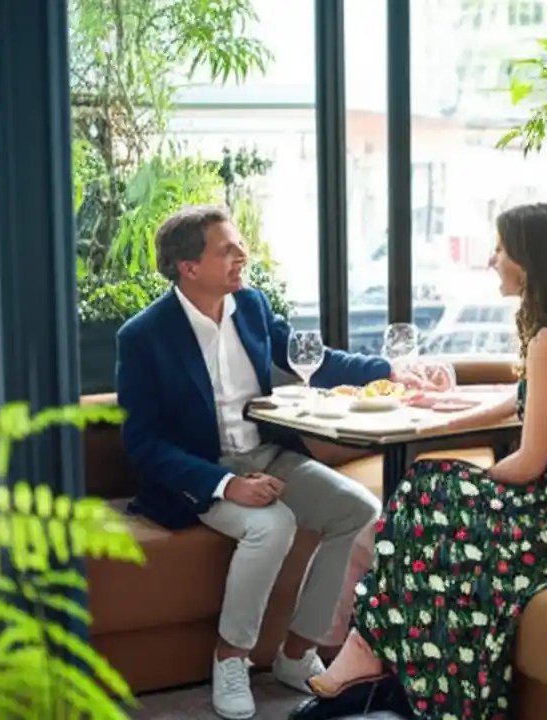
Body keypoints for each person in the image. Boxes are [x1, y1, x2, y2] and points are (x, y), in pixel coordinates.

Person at [289, 202, 547, 720]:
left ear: (528, 260)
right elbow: (531, 400)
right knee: (427, 493)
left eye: (500, 250)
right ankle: (375, 654)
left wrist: (474, 481)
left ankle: (370, 650)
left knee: (425, 488)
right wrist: (451, 411)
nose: (492, 260)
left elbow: (530, 463)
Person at [116, 205, 435, 720]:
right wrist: (223, 484)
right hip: (201, 470)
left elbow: (314, 358)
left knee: (356, 509)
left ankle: (294, 656)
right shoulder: (144, 336)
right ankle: (231, 659)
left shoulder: (252, 305)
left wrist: (392, 368)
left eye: (239, 245)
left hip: (267, 453)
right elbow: (145, 443)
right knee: (273, 525)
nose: (243, 255)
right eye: (227, 249)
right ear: (188, 267)